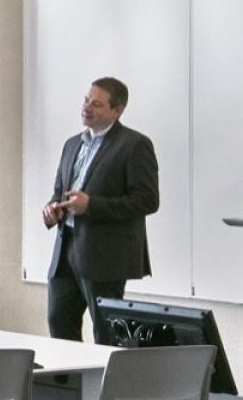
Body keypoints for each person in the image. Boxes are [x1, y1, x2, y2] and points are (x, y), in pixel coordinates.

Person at [43, 76, 159, 342]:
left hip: (106, 255)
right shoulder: (72, 144)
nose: (87, 108)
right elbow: (60, 190)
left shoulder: (134, 145)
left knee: (105, 333)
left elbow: (148, 200)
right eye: (86, 100)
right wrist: (53, 208)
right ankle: (68, 382)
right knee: (59, 323)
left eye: (97, 104)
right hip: (65, 250)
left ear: (117, 111)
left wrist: (91, 205)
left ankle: (105, 384)